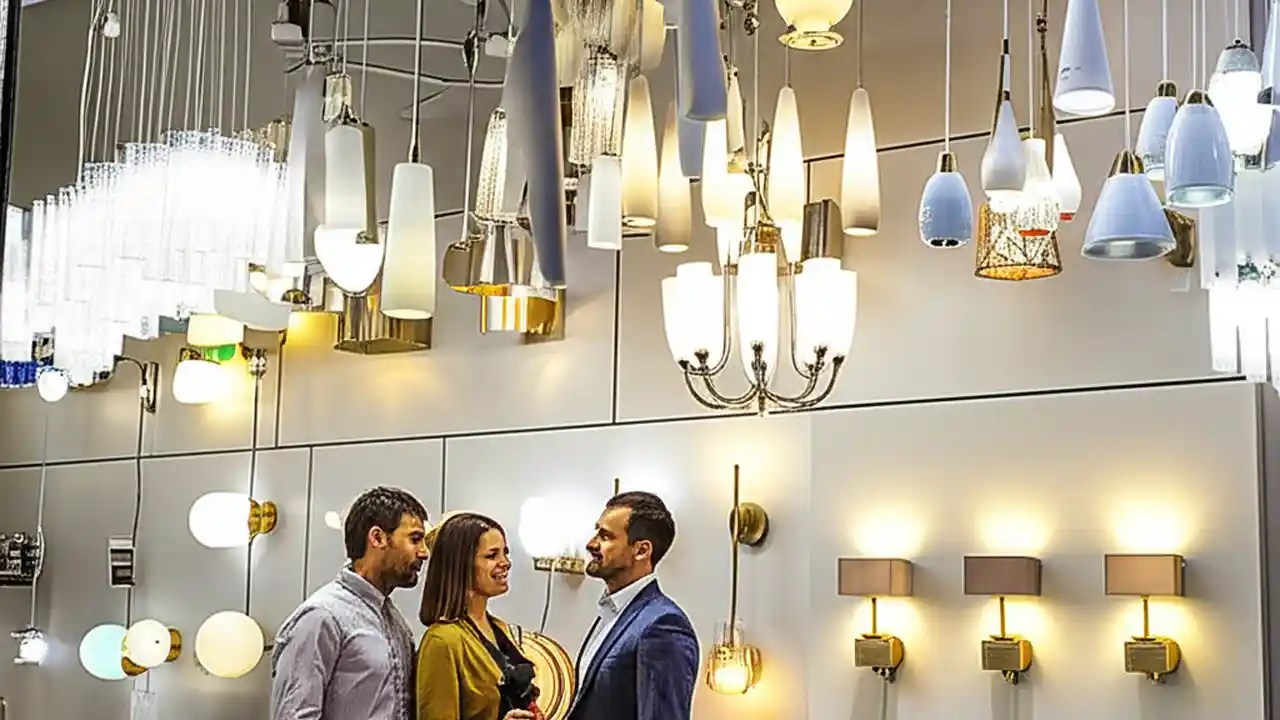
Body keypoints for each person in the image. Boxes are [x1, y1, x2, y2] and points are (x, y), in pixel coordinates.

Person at [270, 486, 430, 720]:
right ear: (377, 538)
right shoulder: (321, 617)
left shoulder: (394, 621)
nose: (424, 552)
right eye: (415, 539)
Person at [566, 492, 698, 720]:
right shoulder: (611, 614)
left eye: (606, 536)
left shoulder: (663, 624)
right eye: (596, 532)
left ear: (641, 550)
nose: (591, 544)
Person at [416, 513, 541, 720]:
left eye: (505, 553)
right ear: (461, 564)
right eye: (492, 556)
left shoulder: (499, 628)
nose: (506, 563)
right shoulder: (442, 641)